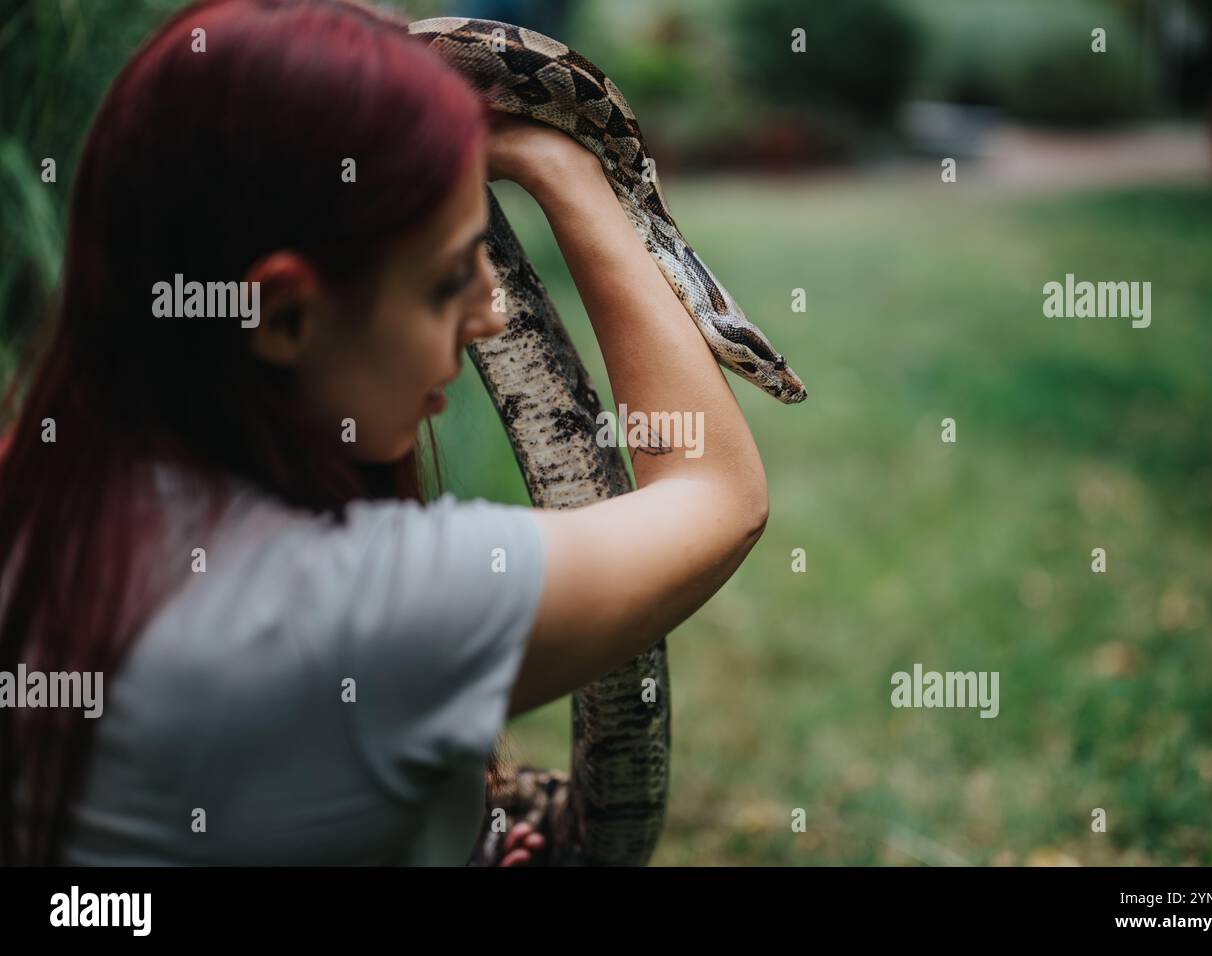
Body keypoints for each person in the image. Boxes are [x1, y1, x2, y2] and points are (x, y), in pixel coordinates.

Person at [0, 0, 768, 866]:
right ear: (284, 316)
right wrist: (565, 168)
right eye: (447, 280)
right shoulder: (366, 606)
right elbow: (718, 495)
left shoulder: (40, 510)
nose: (492, 312)